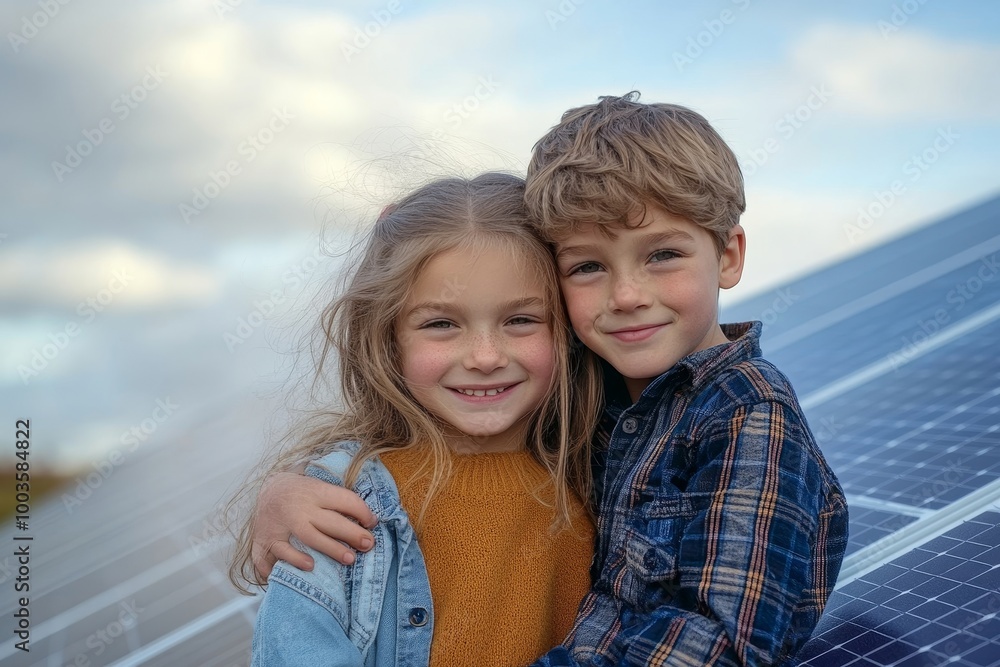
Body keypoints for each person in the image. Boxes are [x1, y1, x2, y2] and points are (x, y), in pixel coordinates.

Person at [250, 93, 850, 666]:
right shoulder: (587, 413)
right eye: (588, 266)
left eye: (662, 255)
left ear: (728, 256)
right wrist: (281, 495)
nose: (626, 295)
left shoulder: (745, 416)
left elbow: (715, 637)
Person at [233, 172, 602, 666]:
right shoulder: (338, 507)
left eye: (520, 320)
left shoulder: (605, 466)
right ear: (388, 339)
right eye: (441, 324)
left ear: (568, 328)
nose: (486, 356)